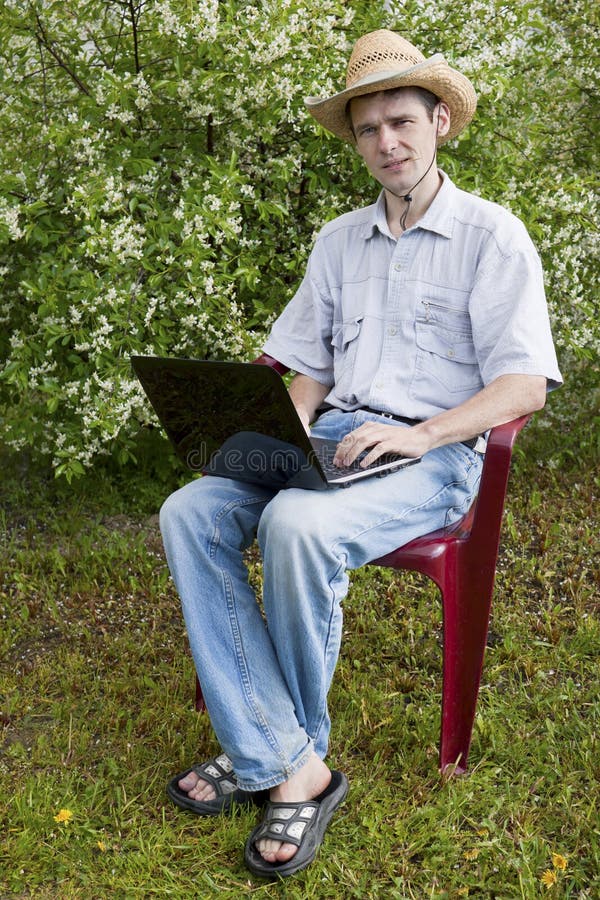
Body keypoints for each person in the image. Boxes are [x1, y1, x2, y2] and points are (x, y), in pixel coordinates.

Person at [159, 29, 562, 879]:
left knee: (299, 526)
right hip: (338, 442)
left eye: (402, 121)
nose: (386, 142)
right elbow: (306, 370)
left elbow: (524, 386)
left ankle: (272, 758)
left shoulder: (493, 238)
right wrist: (279, 431)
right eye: (369, 128)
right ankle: (283, 754)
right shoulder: (339, 241)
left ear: (440, 121)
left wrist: (418, 434)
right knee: (190, 507)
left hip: (433, 457)